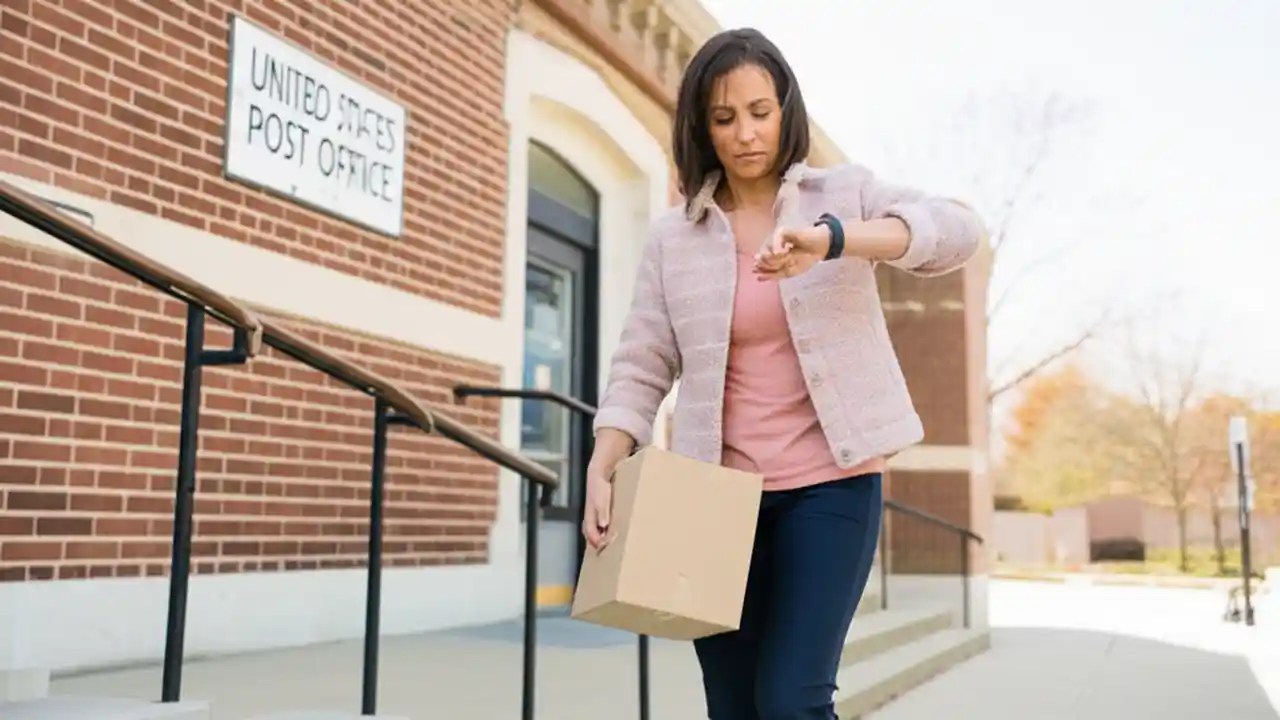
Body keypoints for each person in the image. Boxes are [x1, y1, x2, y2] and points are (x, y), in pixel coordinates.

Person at [581, 27, 986, 720]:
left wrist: (833, 240)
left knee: (792, 701)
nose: (745, 133)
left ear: (785, 109)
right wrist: (604, 459)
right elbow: (643, 360)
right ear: (702, 128)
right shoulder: (673, 236)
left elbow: (959, 229)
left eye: (760, 111)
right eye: (724, 117)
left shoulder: (844, 192)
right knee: (734, 706)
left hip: (830, 490)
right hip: (716, 502)